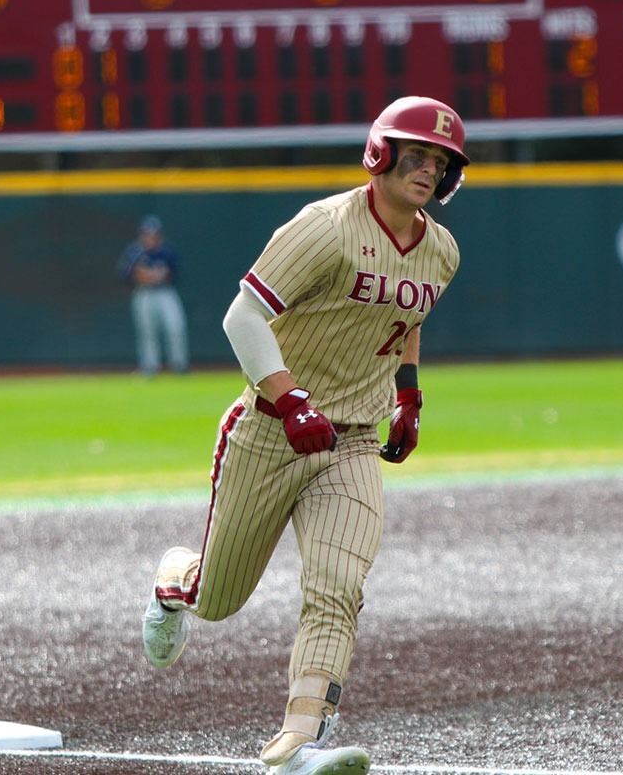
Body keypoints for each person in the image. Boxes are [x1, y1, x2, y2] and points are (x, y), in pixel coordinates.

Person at [140, 96, 468, 775]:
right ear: (380, 153)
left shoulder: (441, 251)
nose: (428, 171)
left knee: (338, 586)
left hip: (349, 442)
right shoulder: (325, 226)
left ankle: (300, 738)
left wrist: (408, 398)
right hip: (268, 433)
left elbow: (405, 319)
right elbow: (243, 317)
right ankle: (175, 582)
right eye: (417, 155)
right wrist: (290, 401)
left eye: (440, 162)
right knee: (219, 601)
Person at [117, 214, 189, 376]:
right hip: (143, 294)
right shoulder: (135, 251)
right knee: (147, 332)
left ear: (159, 235)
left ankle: (179, 365)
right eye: (146, 233)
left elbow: (178, 273)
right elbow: (124, 274)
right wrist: (143, 275)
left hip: (165, 292)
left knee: (175, 327)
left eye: (153, 234)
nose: (150, 237)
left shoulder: (167, 251)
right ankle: (149, 367)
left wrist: (159, 275)